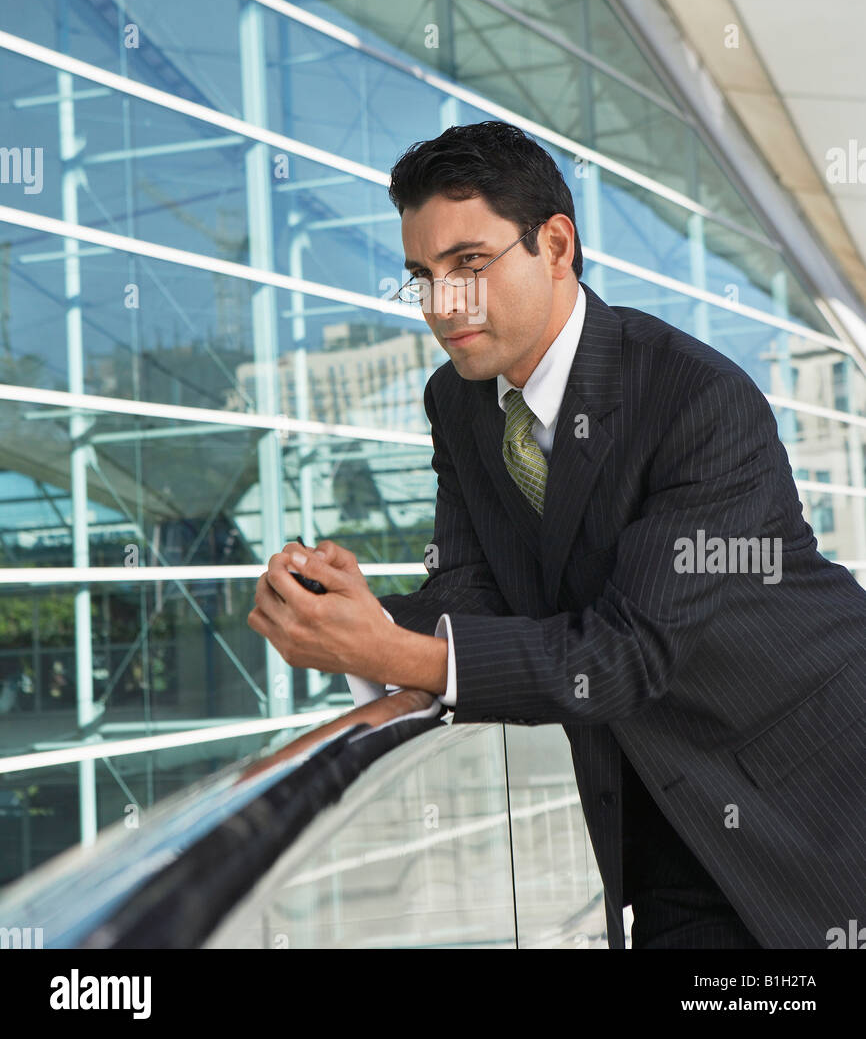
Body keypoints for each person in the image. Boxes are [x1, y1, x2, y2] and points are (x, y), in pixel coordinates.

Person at [248, 120, 866, 949]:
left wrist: (384, 654)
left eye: (469, 264)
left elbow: (625, 653)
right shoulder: (459, 404)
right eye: (422, 277)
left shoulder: (695, 399)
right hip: (661, 812)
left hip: (817, 798)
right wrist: (348, 616)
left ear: (557, 245)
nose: (443, 304)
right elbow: (472, 592)